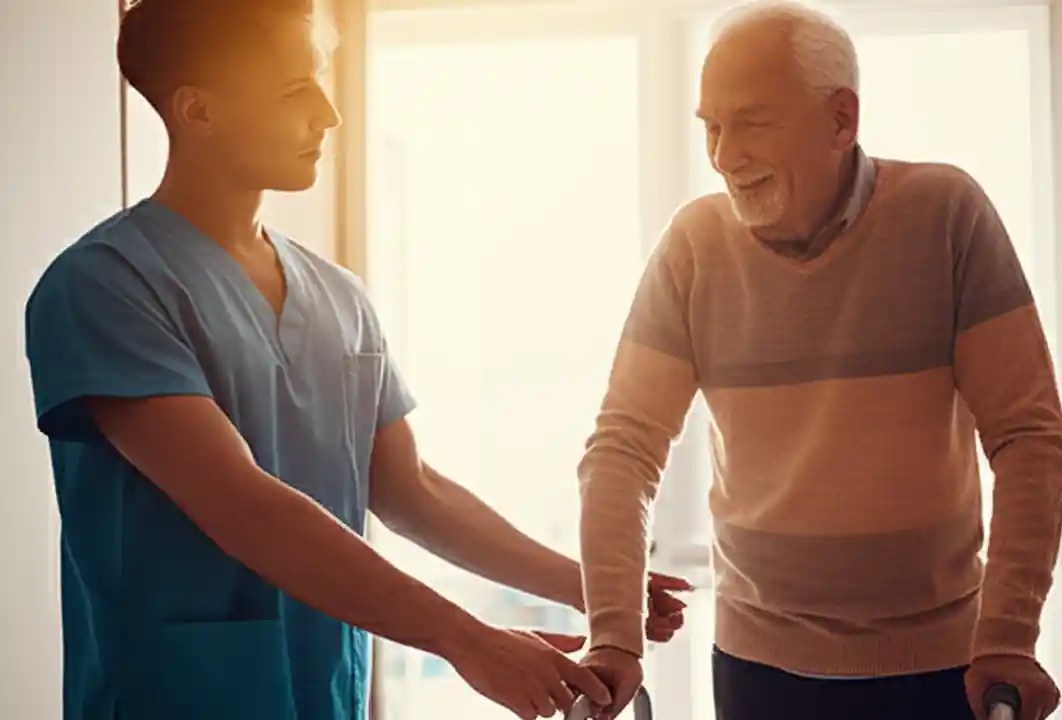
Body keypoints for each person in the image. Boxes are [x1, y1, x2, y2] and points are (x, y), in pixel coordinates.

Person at [24, 2, 689, 719]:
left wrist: (590, 585)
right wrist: (468, 640)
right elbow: (243, 507)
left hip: (326, 693)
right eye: (293, 92)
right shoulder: (105, 285)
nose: (328, 114)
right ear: (197, 111)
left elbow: (412, 490)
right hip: (176, 695)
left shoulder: (339, 297)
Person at [575, 2, 1062, 719]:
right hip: (758, 667)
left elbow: (1031, 442)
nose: (722, 156)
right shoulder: (694, 247)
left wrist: (1008, 636)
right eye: (711, 128)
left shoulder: (944, 214)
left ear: (842, 120)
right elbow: (622, 451)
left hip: (944, 665)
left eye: (752, 122)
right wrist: (615, 637)